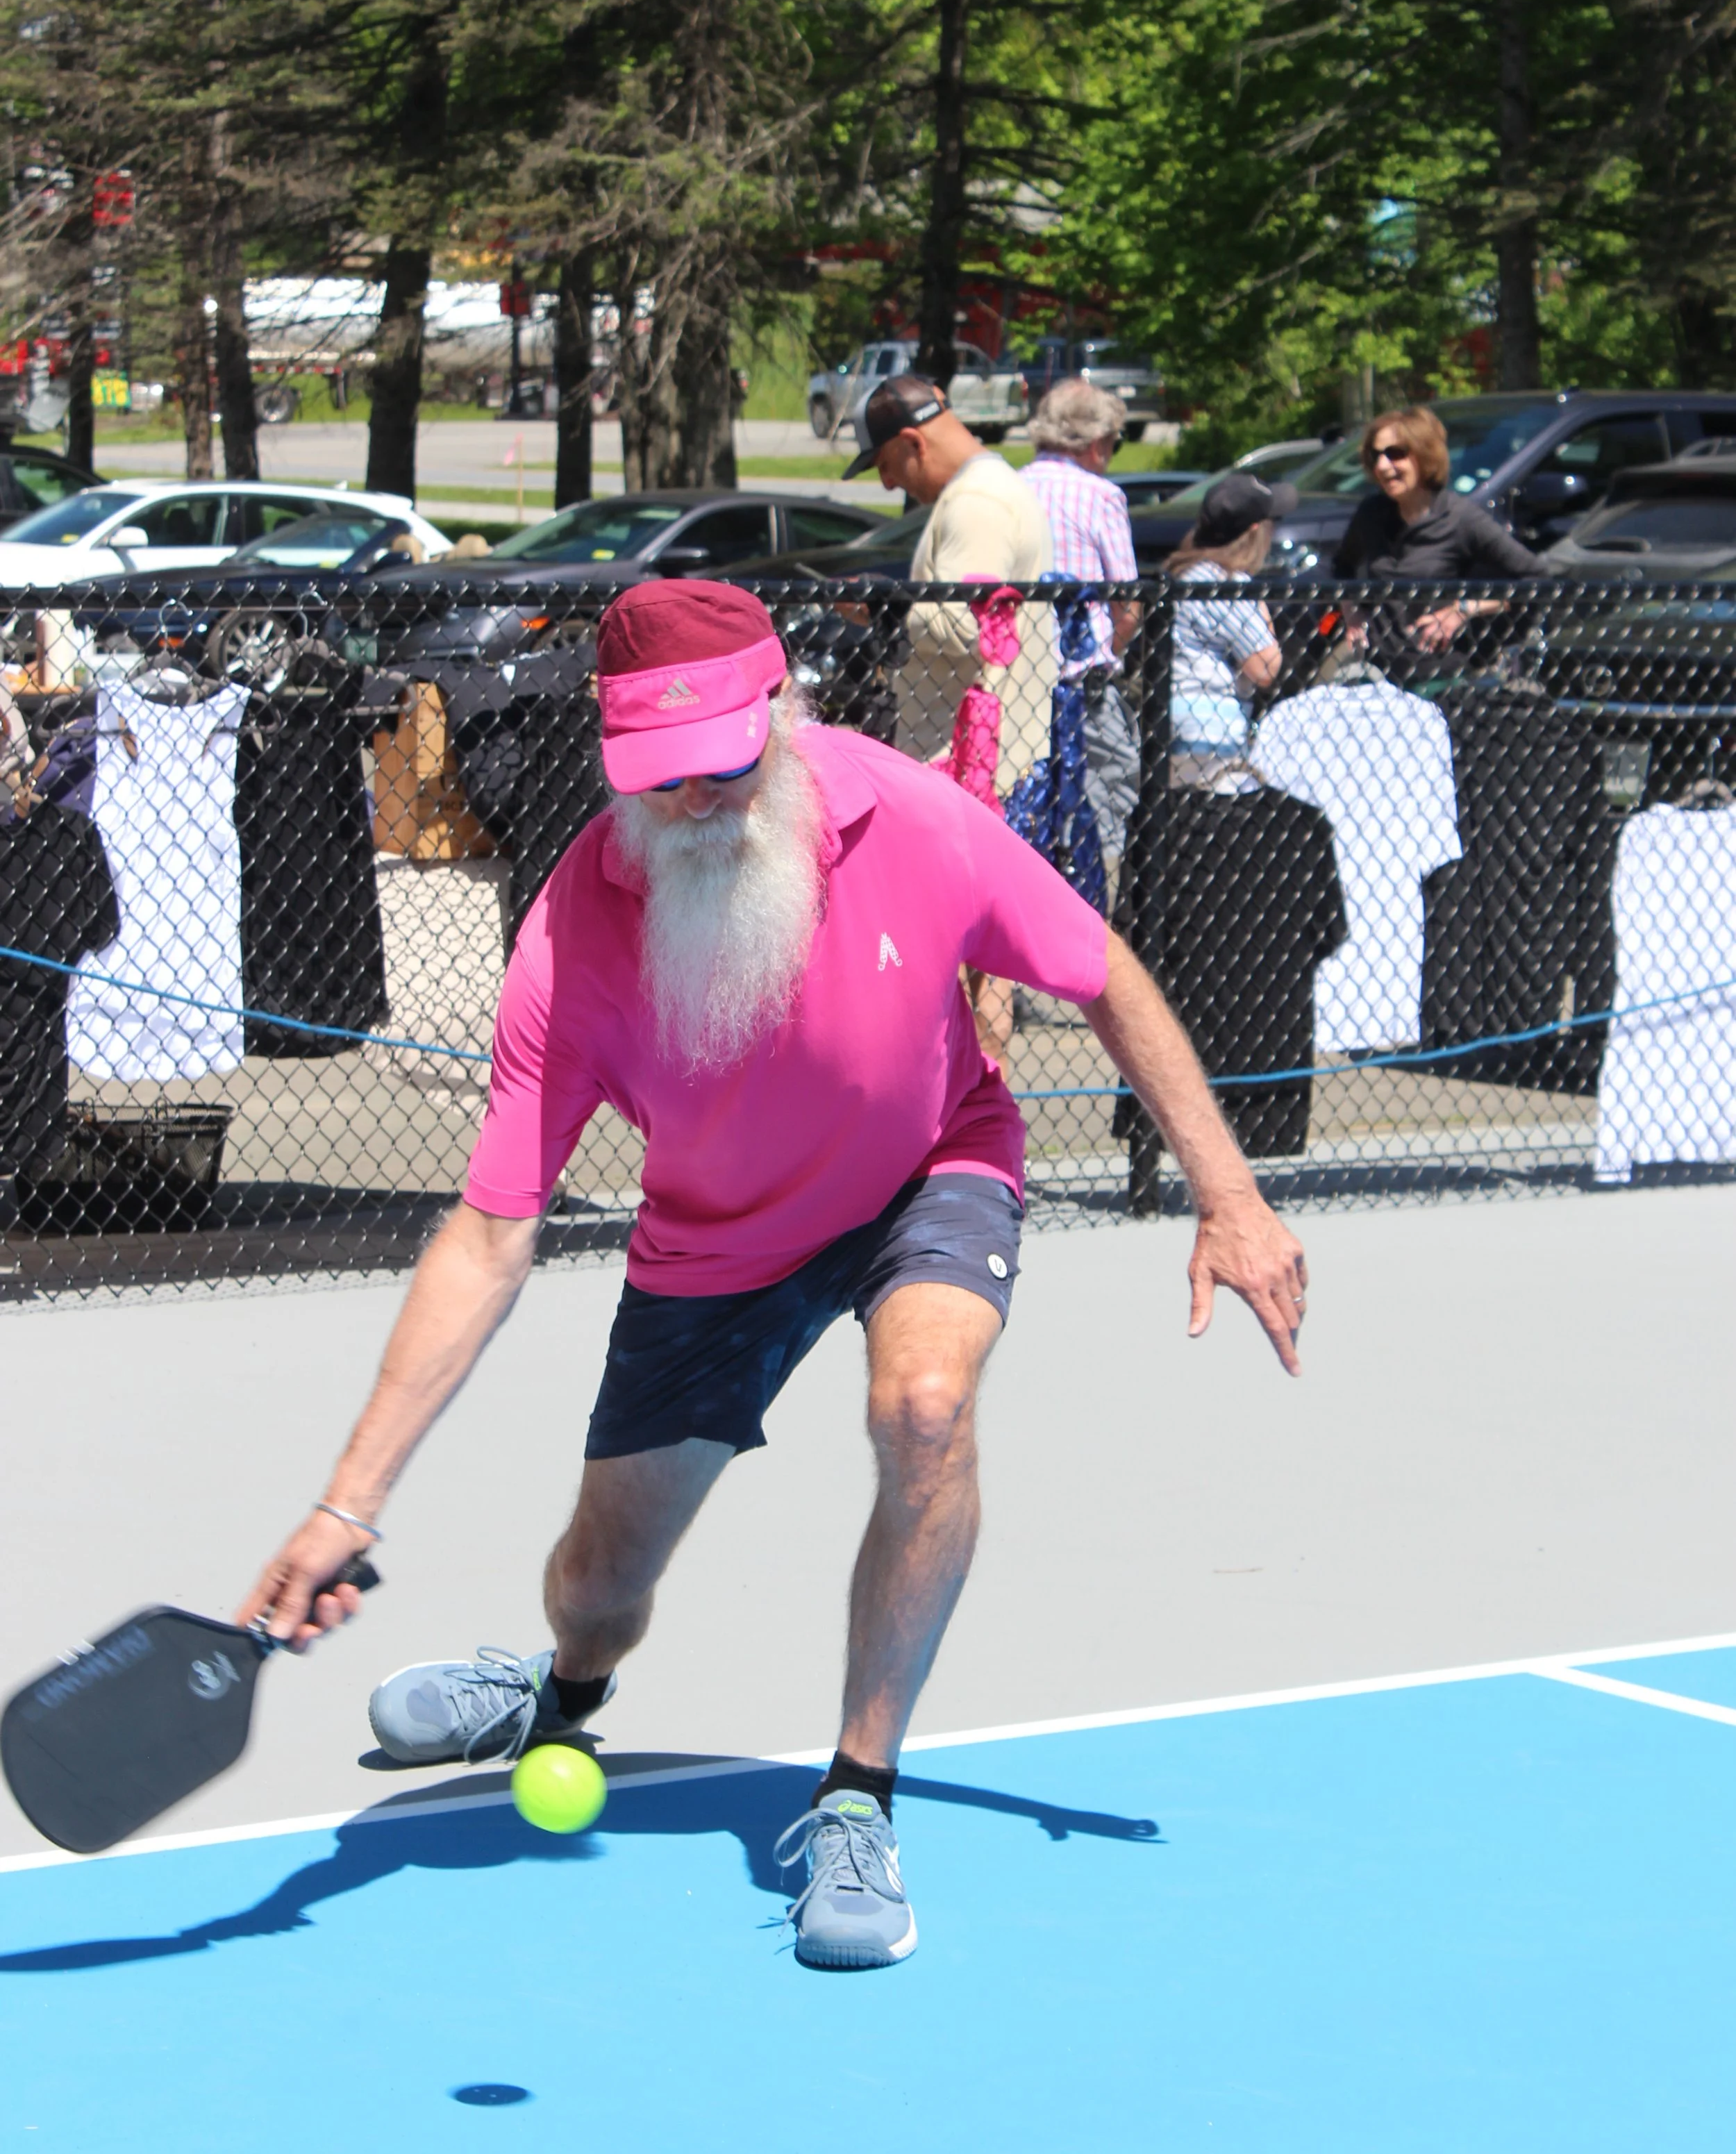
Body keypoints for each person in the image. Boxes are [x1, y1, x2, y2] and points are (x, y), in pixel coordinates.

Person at [240, 576, 1308, 1973]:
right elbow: (490, 1233)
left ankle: (857, 1795)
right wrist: (347, 1504)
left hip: (927, 1170)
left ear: (783, 716)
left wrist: (1229, 1195)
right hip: (713, 1243)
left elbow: (1095, 970)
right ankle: (557, 1689)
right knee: (601, 1584)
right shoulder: (573, 933)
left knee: (925, 1406)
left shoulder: (914, 820)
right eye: (656, 773)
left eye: (721, 761)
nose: (693, 797)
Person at [849, 371, 1057, 1055]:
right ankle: (972, 1123)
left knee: (972, 969)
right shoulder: (991, 490)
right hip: (985, 760)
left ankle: (971, 1126)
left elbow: (983, 624)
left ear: (913, 442)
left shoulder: (975, 505)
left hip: (975, 770)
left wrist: (887, 604)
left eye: (886, 467)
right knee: (975, 962)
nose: (887, 488)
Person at [1019, 378, 1142, 880]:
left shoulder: (1011, 486)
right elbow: (1127, 602)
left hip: (1020, 676)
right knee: (1108, 798)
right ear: (1096, 442)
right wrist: (1111, 650)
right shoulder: (1101, 496)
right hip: (1081, 680)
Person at [1333, 404, 1548, 674]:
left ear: (1424, 456)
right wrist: (1353, 614)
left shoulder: (1461, 518)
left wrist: (1463, 609)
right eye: (1375, 456)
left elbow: (1538, 579)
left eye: (1395, 454)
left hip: (1442, 677)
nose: (1382, 466)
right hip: (1380, 674)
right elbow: (1342, 568)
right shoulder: (1371, 514)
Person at [1164, 472, 1287, 785]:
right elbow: (1265, 667)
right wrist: (1261, 609)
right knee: (1220, 825)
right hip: (1212, 725)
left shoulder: (1182, 571)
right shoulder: (1228, 583)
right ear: (1256, 530)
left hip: (1169, 713)